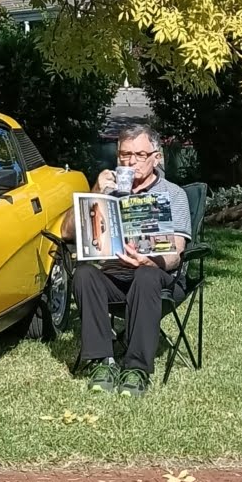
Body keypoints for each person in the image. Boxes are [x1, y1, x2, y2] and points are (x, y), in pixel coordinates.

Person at [61, 125, 191, 397]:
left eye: (139, 154)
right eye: (124, 155)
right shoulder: (106, 189)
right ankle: (101, 362)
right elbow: (67, 232)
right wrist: (96, 191)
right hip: (115, 276)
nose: (130, 162)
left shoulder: (173, 194)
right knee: (84, 274)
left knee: (146, 275)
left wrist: (149, 260)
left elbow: (176, 252)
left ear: (156, 157)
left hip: (159, 277)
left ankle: (136, 369)